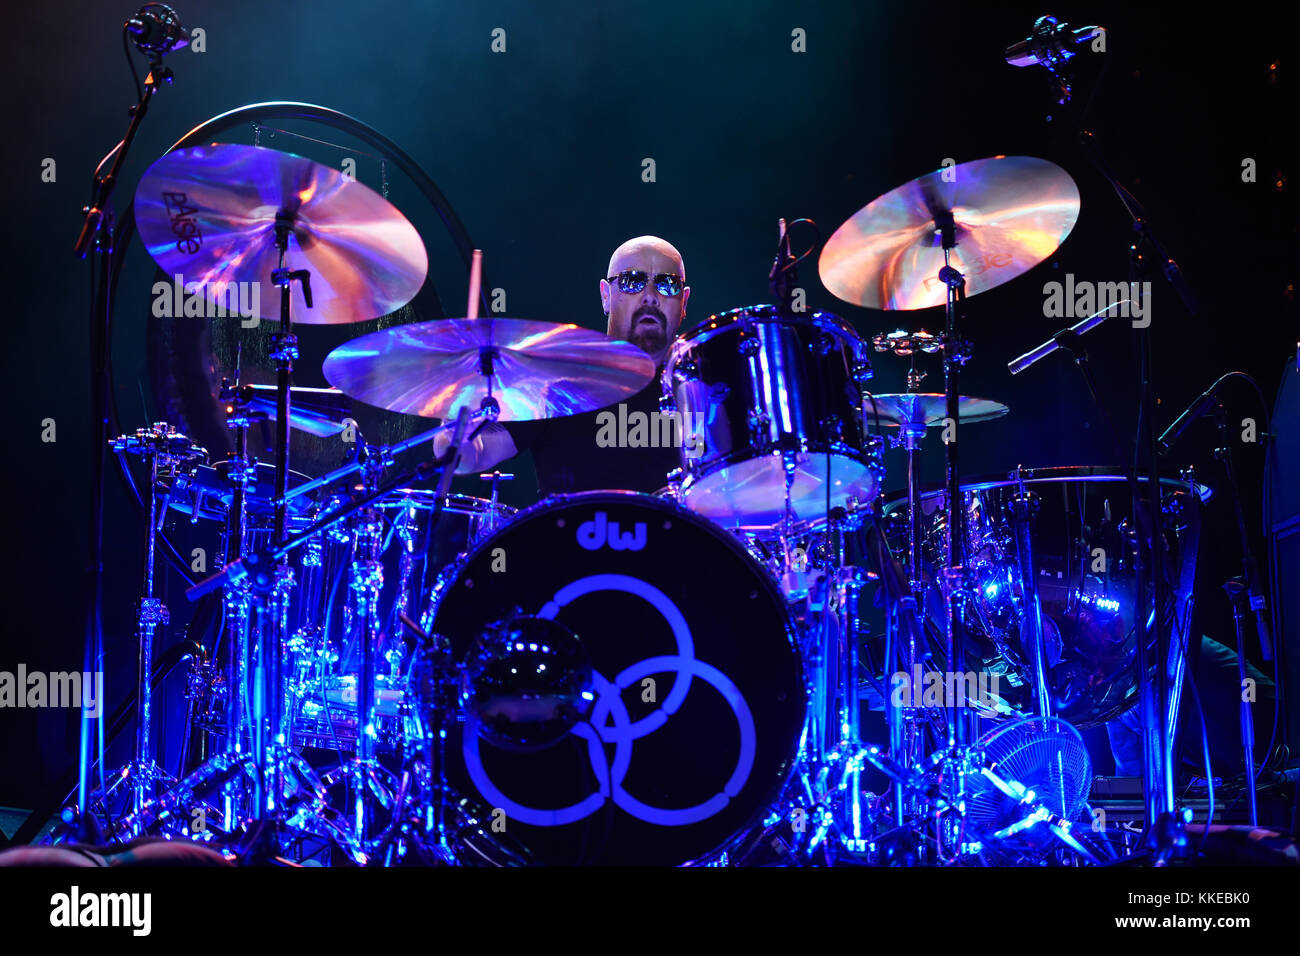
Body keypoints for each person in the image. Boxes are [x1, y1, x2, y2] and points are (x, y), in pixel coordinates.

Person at [441, 235, 691, 498]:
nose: (650, 296)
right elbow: (473, 455)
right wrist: (454, 428)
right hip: (570, 537)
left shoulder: (704, 389)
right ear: (606, 296)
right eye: (633, 281)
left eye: (667, 284)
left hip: (676, 538)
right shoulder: (559, 381)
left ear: (683, 302)